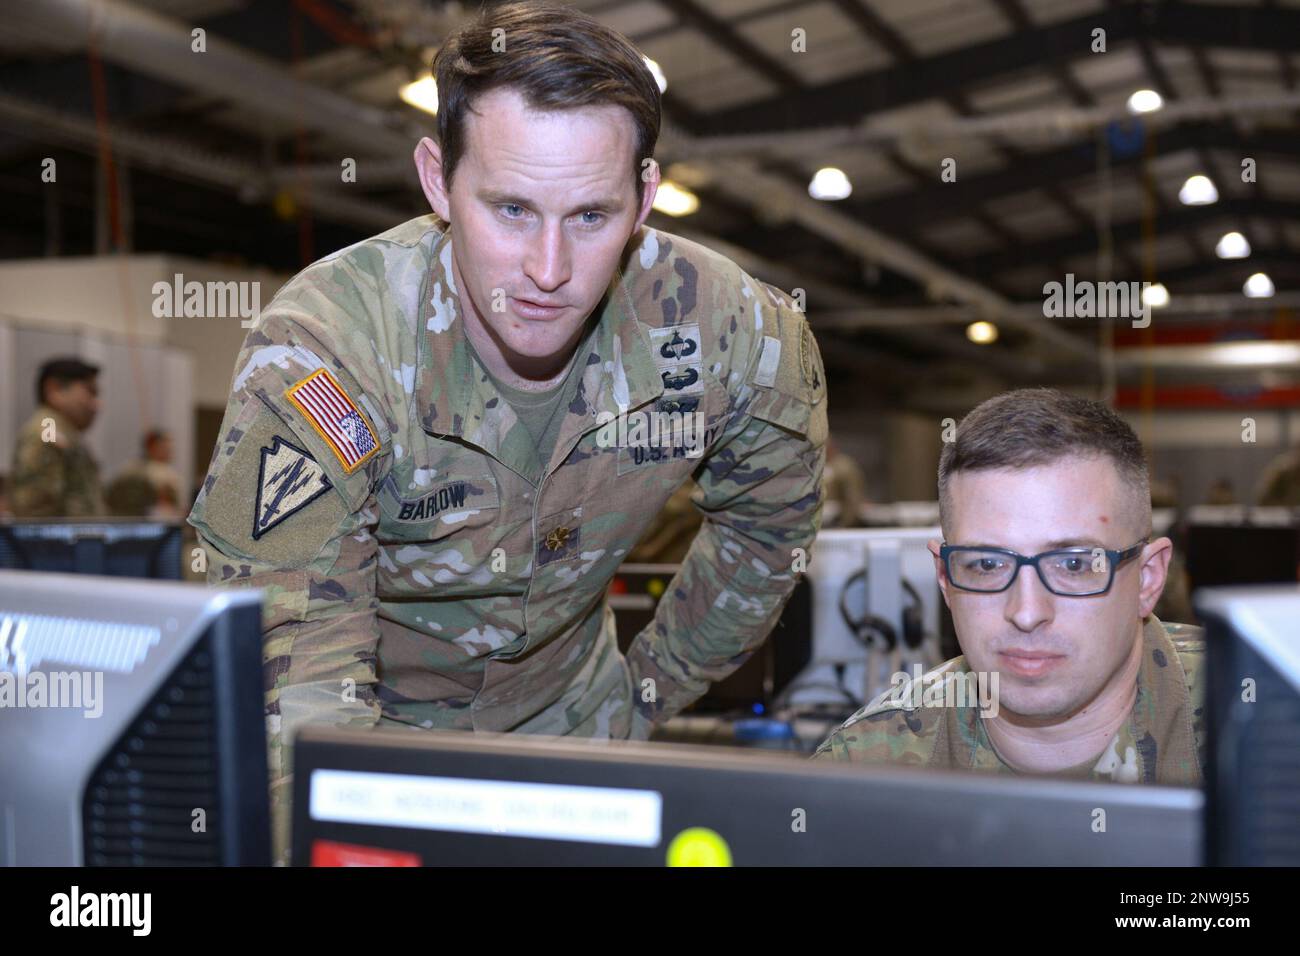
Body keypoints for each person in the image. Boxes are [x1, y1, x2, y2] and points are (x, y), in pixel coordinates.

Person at [189, 0, 827, 863]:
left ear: (645, 196)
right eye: (512, 210)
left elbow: (770, 528)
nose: (549, 271)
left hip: (580, 733)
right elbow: (293, 660)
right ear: (435, 179)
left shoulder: (733, 335)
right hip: (376, 743)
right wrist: (342, 825)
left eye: (591, 217)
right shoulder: (329, 351)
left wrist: (648, 690)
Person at [815, 389, 1203, 786]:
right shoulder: (863, 769)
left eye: (1073, 564)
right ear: (945, 579)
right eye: (988, 565)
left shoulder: (1256, 730)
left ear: (1148, 577)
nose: (1027, 612)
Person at [10, 357, 105, 518]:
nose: (97, 404)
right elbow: (36, 515)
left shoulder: (61, 432)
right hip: (59, 542)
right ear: (54, 389)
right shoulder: (48, 430)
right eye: (90, 392)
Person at [108, 430, 184, 517]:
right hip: (142, 520)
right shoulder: (138, 470)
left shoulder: (168, 471)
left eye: (169, 448)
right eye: (164, 447)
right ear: (151, 447)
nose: (169, 451)